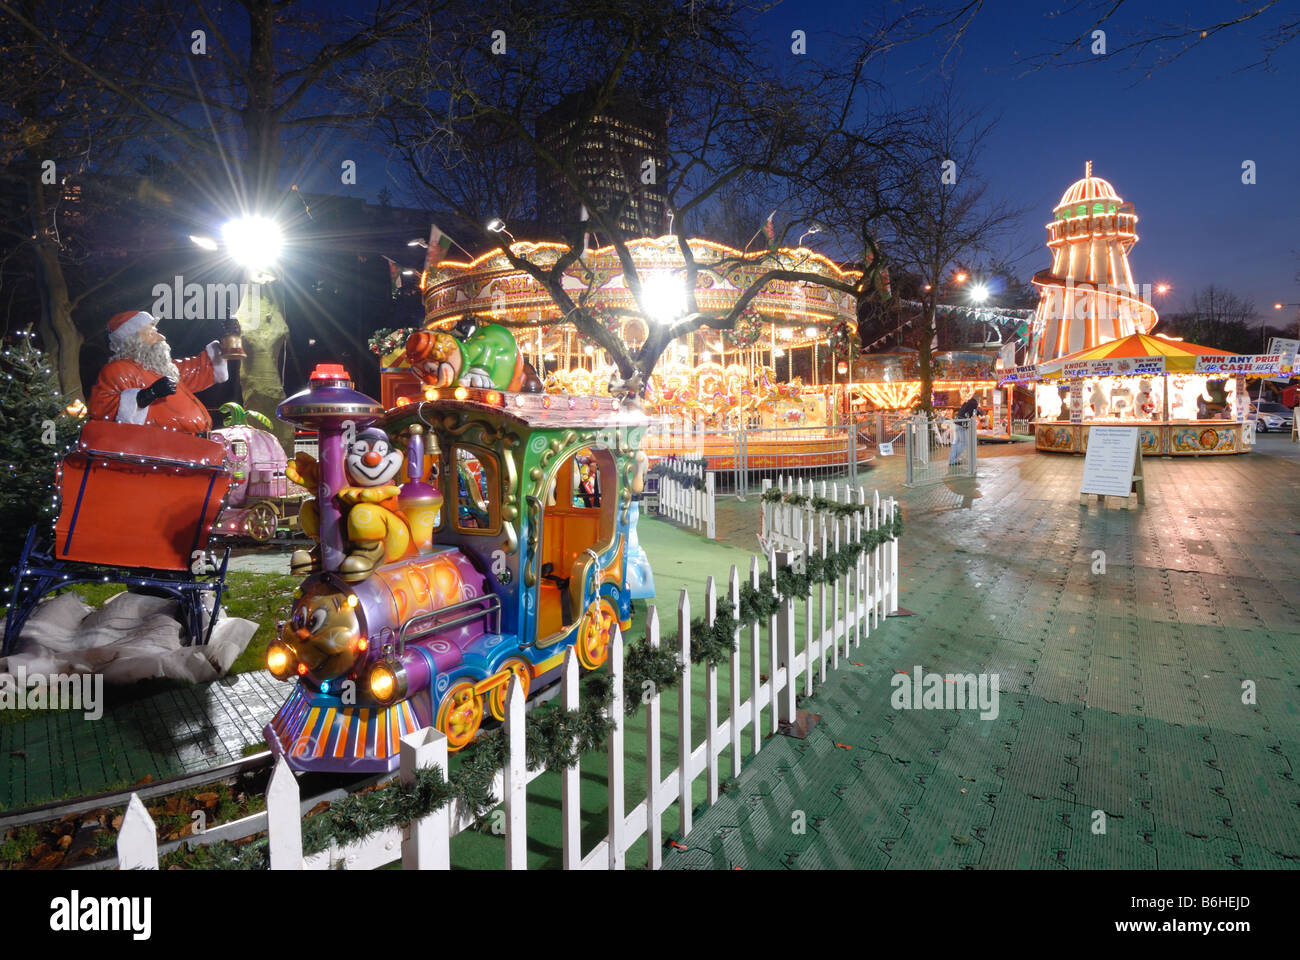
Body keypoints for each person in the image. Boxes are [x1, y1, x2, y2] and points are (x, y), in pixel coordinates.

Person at [90, 311, 231, 434]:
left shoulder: (165, 369)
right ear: (133, 341)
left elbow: (201, 369)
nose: (162, 337)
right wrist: (148, 394)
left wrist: (230, 339)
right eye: (152, 333)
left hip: (193, 445)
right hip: (158, 449)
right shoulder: (118, 370)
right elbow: (102, 409)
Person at [950, 393, 981, 467]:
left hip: (957, 422)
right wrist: (979, 412)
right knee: (964, 443)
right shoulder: (974, 403)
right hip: (961, 424)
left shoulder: (967, 402)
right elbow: (972, 413)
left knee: (956, 442)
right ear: (978, 399)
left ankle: (952, 459)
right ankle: (953, 458)